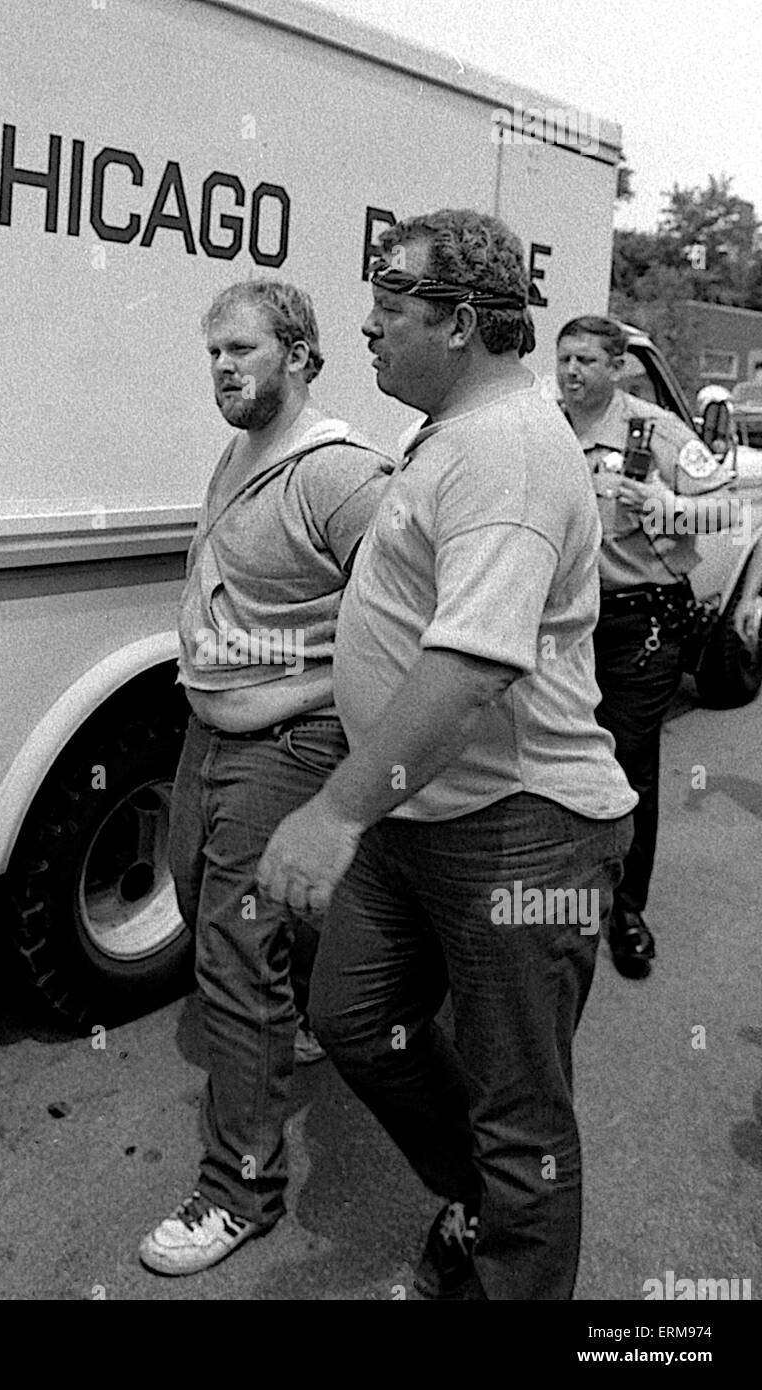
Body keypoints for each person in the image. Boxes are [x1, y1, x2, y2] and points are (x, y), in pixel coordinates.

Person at [256, 209, 636, 1301]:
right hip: (421, 813)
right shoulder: (456, 429)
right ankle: (481, 1203)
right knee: (351, 1017)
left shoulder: (508, 453)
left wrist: (331, 812)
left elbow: (470, 669)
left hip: (526, 833)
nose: (365, 329)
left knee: (522, 1115)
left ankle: (503, 1247)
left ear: (460, 322)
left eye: (388, 308)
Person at [138, 279, 393, 1276]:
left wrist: (310, 689)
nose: (221, 369)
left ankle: (237, 1190)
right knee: (199, 890)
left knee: (233, 959)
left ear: (298, 354)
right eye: (210, 353)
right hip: (210, 734)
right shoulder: (240, 449)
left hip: (283, 744)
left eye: (239, 350)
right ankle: (332, 1011)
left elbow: (413, 624)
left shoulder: (343, 475)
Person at [556, 317, 738, 978]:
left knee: (627, 763)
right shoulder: (547, 426)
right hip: (565, 625)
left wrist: (668, 505)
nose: (571, 372)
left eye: (586, 361)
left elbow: (725, 510)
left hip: (643, 624)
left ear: (616, 368)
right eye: (564, 358)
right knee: (556, 761)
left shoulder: (652, 431)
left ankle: (626, 909)